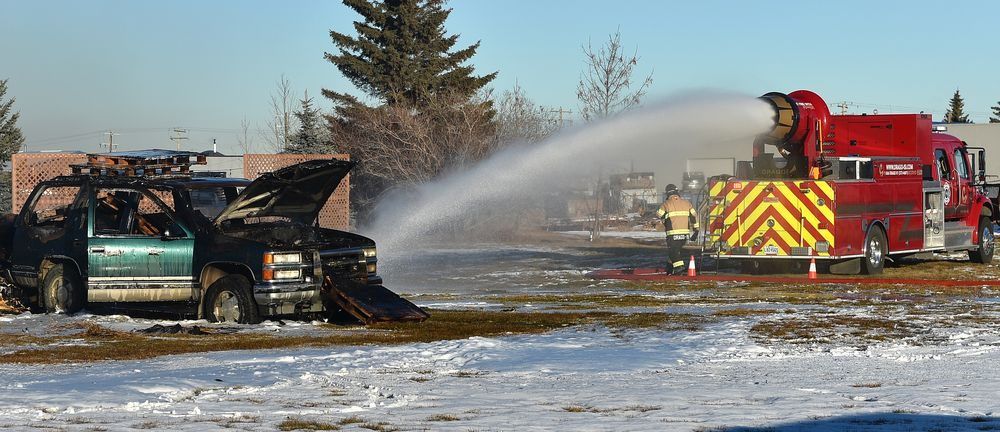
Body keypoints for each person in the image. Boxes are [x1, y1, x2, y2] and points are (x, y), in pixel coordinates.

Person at [656, 184, 699, 275]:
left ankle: (679, 267)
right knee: (675, 251)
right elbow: (694, 216)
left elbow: (659, 215)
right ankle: (669, 268)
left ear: (667, 193)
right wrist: (696, 230)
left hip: (672, 233)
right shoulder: (687, 203)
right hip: (685, 234)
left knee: (673, 252)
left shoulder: (666, 204)